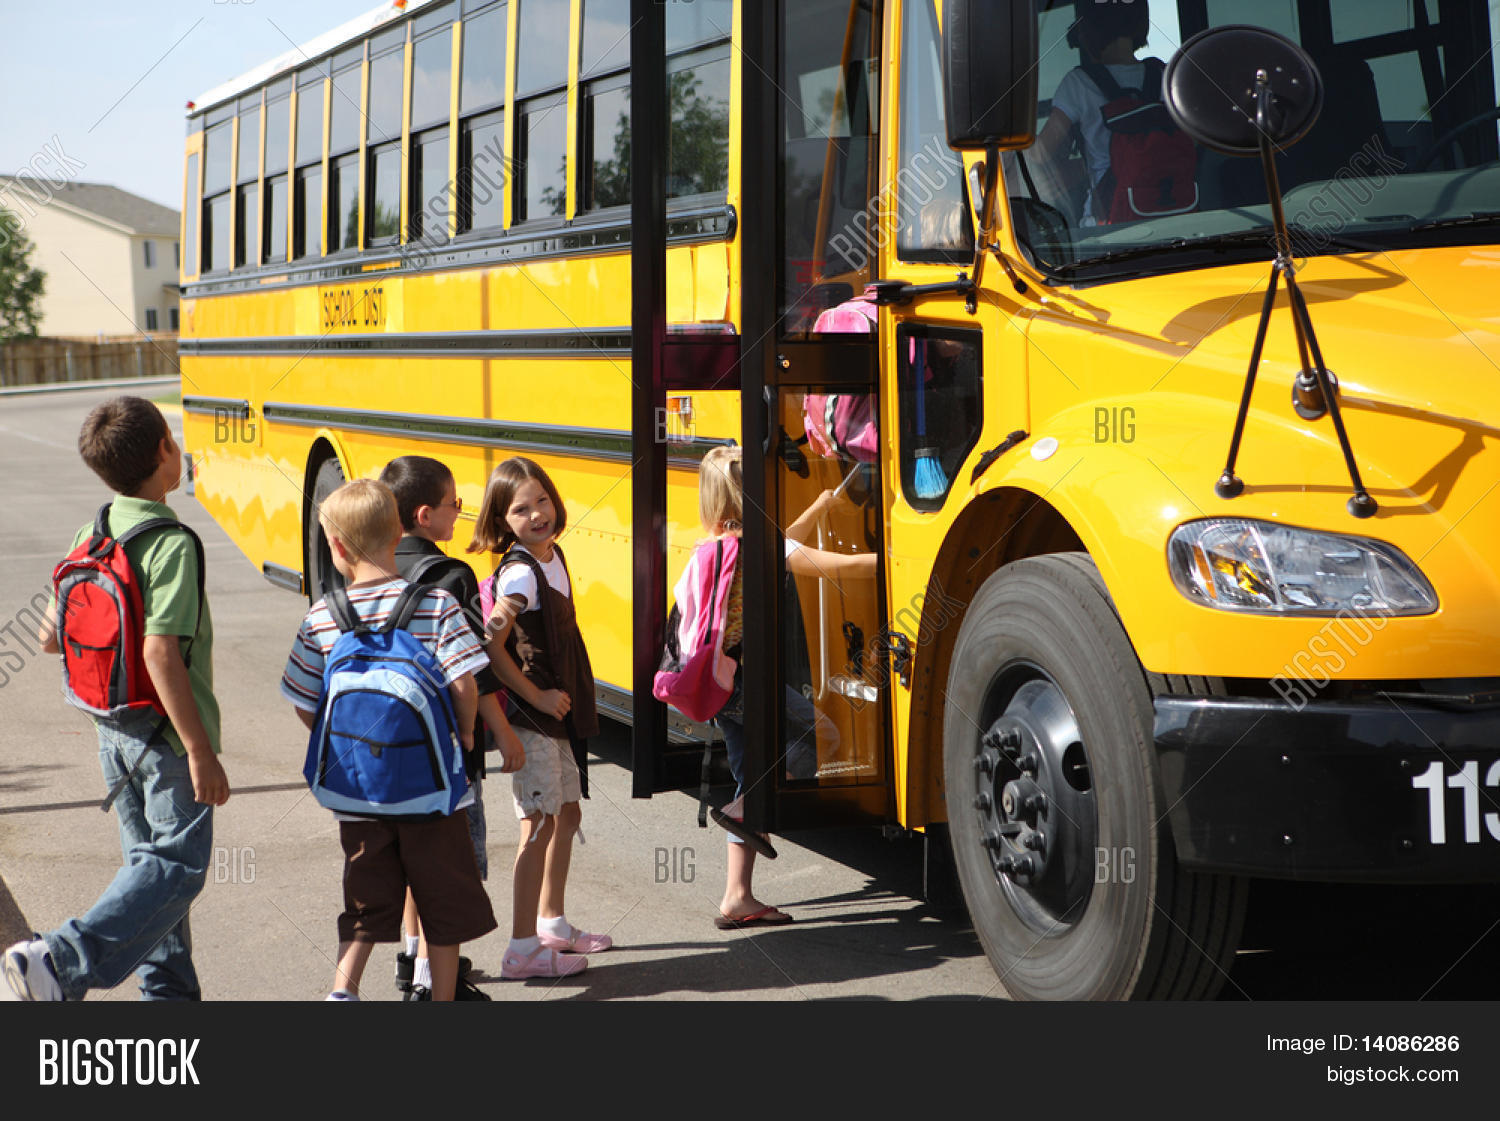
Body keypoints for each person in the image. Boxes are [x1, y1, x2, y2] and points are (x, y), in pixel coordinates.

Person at [5, 396, 230, 1002]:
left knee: (150, 875)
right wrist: (200, 750)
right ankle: (58, 960)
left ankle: (168, 1000)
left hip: (112, 729)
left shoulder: (93, 529)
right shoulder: (170, 543)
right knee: (178, 866)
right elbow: (160, 655)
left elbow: (52, 636)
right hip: (164, 738)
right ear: (163, 451)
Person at [280, 478, 497, 1001]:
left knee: (364, 900)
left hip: (359, 795)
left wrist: (344, 752)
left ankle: (343, 990)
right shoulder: (437, 604)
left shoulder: (321, 617)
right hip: (434, 792)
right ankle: (439, 999)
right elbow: (466, 683)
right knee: (442, 905)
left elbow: (305, 699)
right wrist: (464, 733)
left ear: (334, 547)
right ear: (399, 531)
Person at [691, 446, 875, 930]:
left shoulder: (717, 547)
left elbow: (786, 543)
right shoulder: (759, 547)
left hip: (718, 685)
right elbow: (826, 564)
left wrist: (818, 508)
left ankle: (736, 896)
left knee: (749, 774)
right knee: (823, 736)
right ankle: (745, 807)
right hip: (749, 682)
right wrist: (893, 561)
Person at [378, 454, 525, 1001]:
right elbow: (471, 670)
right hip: (445, 746)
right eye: (453, 505)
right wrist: (498, 734)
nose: (460, 512)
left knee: (416, 855)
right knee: (453, 866)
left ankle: (409, 955)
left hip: (390, 743)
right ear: (424, 515)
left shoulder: (375, 565)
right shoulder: (450, 576)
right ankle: (435, 981)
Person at [469, 456, 608, 978]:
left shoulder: (551, 554)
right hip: (536, 717)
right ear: (503, 521)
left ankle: (552, 923)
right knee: (538, 825)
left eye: (542, 501)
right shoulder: (522, 570)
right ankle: (521, 949)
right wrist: (538, 696)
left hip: (560, 716)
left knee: (566, 814)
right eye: (521, 509)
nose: (536, 514)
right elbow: (491, 639)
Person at [1033, 0, 1155, 224]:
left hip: (1110, 222)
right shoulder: (1166, 76)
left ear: (1087, 29)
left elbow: (1039, 154)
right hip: (1174, 212)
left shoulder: (1078, 84)